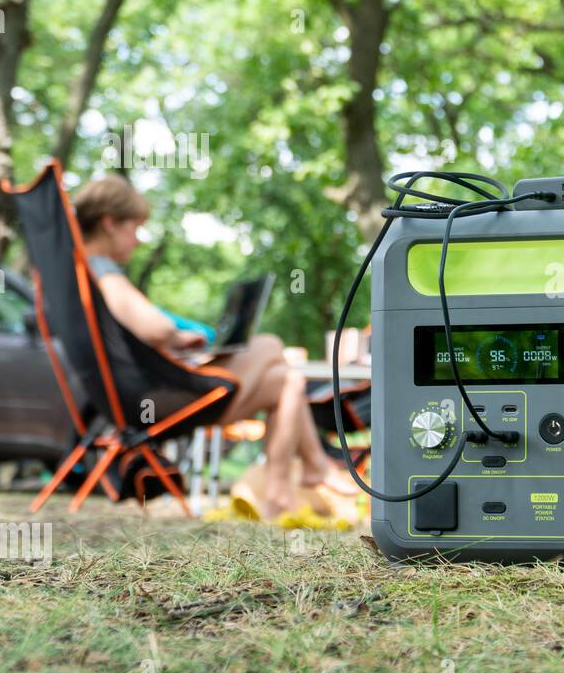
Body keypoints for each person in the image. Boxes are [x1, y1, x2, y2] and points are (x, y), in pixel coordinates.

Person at [71, 175, 356, 518]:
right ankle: (311, 467)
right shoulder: (101, 271)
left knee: (287, 381)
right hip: (154, 398)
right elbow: (155, 328)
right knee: (269, 344)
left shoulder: (74, 273)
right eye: (134, 228)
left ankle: (286, 482)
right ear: (109, 223)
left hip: (132, 393)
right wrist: (177, 338)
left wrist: (179, 349)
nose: (138, 240)